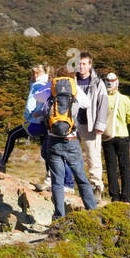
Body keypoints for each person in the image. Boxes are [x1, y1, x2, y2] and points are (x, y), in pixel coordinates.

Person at [44, 61, 97, 218]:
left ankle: (59, 216)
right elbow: (87, 104)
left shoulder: (51, 88)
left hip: (53, 140)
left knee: (57, 182)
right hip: (71, 139)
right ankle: (92, 212)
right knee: (81, 178)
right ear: (72, 77)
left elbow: (37, 98)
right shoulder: (74, 88)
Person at [75, 51, 108, 199]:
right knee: (69, 156)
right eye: (79, 64)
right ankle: (70, 185)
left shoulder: (98, 83)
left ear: (90, 65)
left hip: (90, 124)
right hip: (72, 124)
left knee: (93, 157)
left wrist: (100, 125)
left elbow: (103, 104)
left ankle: (96, 187)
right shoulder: (71, 80)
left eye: (84, 64)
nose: (81, 67)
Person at [102, 70, 130, 203]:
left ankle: (114, 196)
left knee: (111, 167)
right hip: (122, 135)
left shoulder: (102, 98)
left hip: (107, 136)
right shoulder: (124, 99)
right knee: (124, 167)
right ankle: (126, 197)